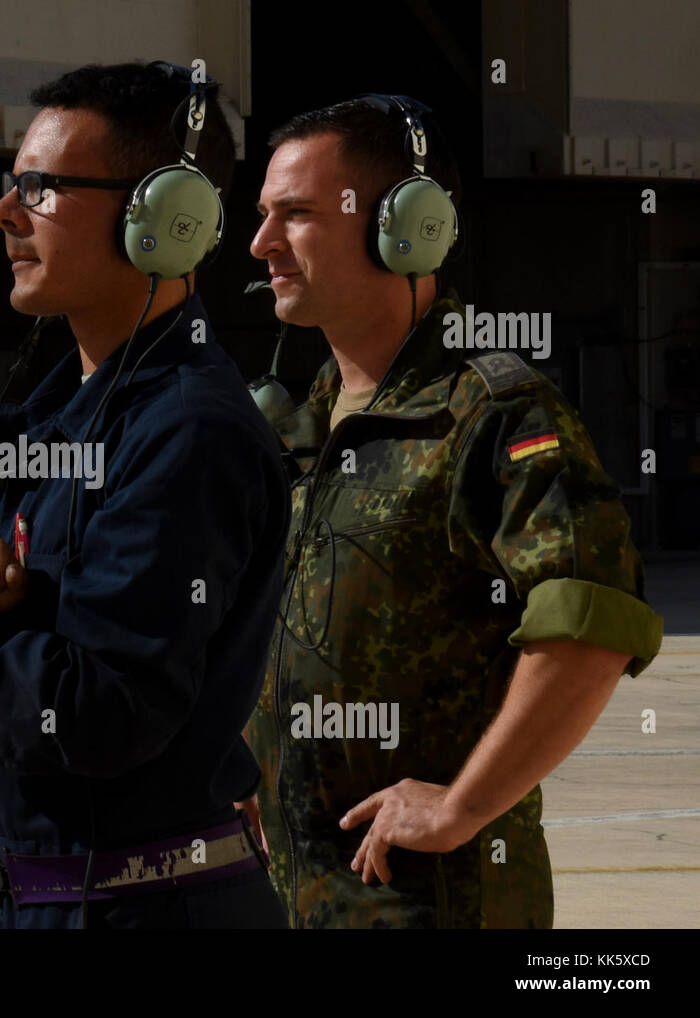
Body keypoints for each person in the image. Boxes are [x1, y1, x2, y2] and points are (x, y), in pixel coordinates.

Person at [0, 62, 291, 929]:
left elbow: (99, 717)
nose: (4, 213)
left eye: (41, 188)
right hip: (46, 903)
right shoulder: (56, 417)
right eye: (10, 185)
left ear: (164, 221)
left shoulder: (187, 432)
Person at [238, 95, 665, 928]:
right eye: (262, 215)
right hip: (298, 898)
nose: (261, 246)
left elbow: (593, 625)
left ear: (411, 227)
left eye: (296, 214)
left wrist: (462, 806)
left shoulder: (492, 411)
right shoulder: (300, 423)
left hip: (429, 903)